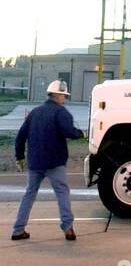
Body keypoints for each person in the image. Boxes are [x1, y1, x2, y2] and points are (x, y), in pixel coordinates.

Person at [11, 81, 85, 241]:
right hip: (54, 162)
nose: (64, 98)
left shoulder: (34, 112)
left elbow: (20, 137)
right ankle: (68, 228)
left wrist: (19, 157)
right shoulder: (61, 112)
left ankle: (18, 230)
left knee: (29, 194)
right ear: (58, 95)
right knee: (62, 192)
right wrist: (80, 134)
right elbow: (69, 132)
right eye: (64, 95)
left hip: (35, 162)